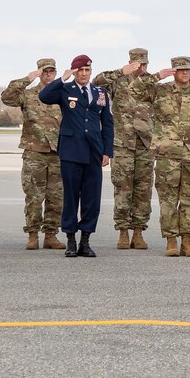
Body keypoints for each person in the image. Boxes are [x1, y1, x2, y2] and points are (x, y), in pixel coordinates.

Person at [130, 56, 190, 257]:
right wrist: (156, 76)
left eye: (187, 69)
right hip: (166, 155)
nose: (184, 73)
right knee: (168, 199)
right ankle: (171, 241)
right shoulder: (160, 90)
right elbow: (133, 90)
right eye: (180, 70)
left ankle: (187, 242)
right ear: (173, 71)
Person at [38, 54, 113, 258]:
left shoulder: (100, 92)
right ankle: (70, 240)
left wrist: (107, 151)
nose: (84, 74)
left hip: (94, 152)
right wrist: (62, 79)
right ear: (74, 72)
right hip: (71, 151)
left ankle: (85, 241)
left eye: (87, 70)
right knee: (71, 197)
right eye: (80, 70)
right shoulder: (65, 89)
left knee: (92, 200)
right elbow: (44, 97)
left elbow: (107, 123)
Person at [93, 48, 156, 250]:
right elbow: (96, 82)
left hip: (145, 144)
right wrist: (121, 71)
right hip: (122, 144)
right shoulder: (118, 80)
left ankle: (138, 231)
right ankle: (122, 231)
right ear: (130, 63)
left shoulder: (151, 83)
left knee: (143, 190)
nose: (141, 68)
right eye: (138, 64)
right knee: (122, 188)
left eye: (144, 64)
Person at [1, 58, 66, 251]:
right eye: (44, 71)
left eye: (51, 71)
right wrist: (27, 79)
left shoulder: (63, 94)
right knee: (34, 197)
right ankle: (32, 234)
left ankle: (51, 235)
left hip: (57, 152)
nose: (48, 74)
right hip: (34, 152)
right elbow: (7, 97)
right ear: (39, 72)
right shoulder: (28, 95)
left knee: (56, 197)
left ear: (56, 73)